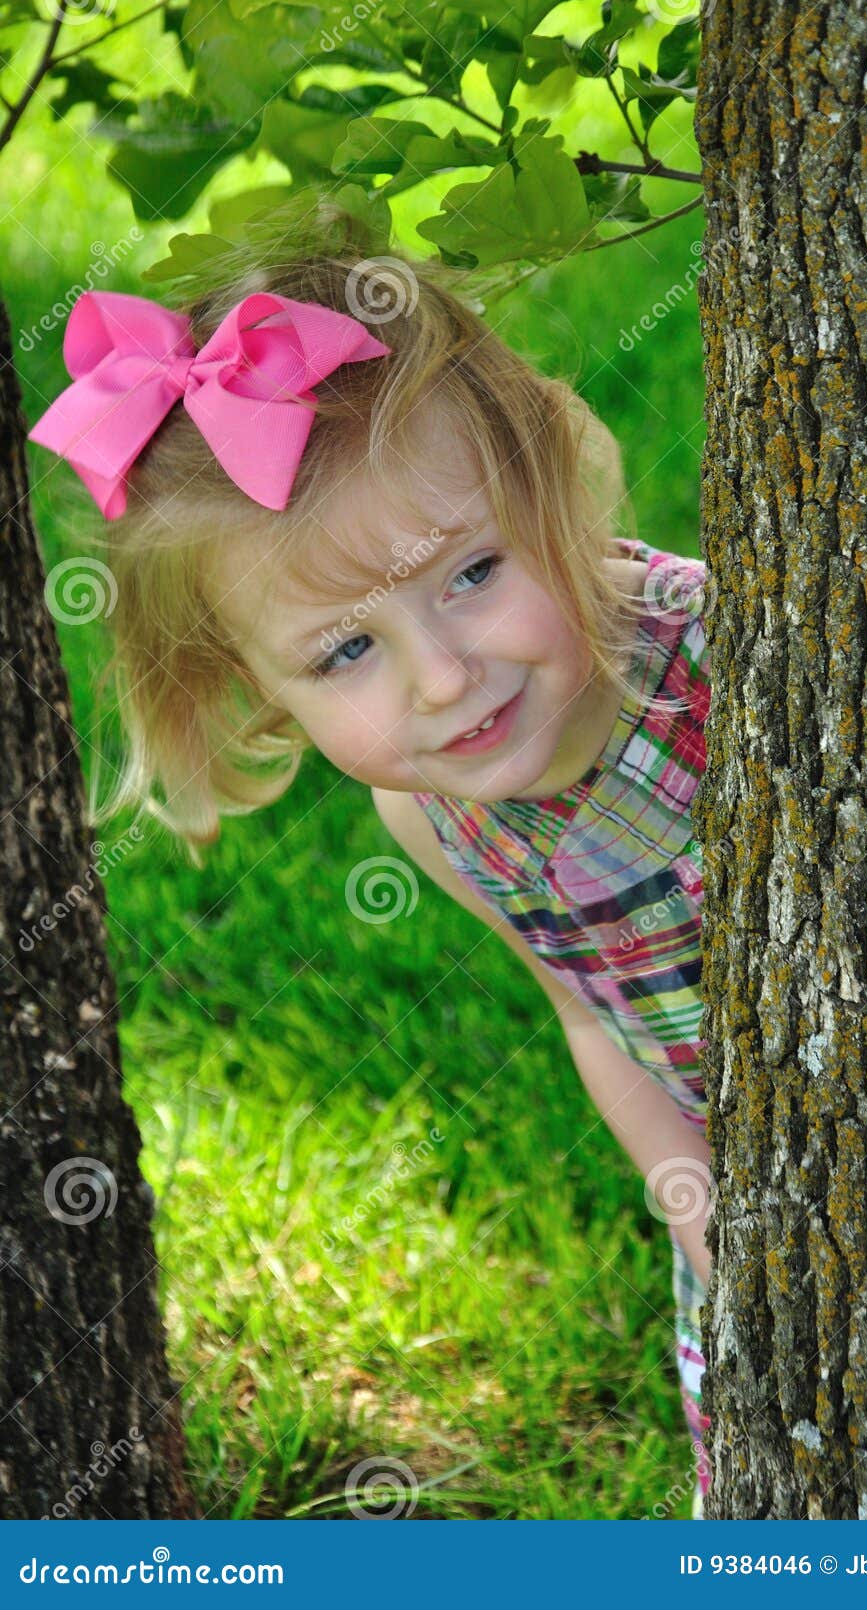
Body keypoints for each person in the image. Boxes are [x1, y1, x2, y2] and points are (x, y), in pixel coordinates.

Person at [28, 220, 715, 1519]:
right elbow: (589, 1003)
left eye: (471, 572)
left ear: (548, 480)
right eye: (346, 653)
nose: (444, 677)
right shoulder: (434, 821)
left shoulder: (735, 666)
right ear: (258, 692)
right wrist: (694, 1200)